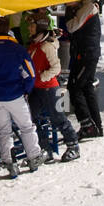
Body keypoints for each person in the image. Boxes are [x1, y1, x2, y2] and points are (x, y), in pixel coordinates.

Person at [0, 15, 44, 178]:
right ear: (9, 30)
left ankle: (9, 162)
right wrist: (26, 90)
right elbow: (30, 74)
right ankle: (34, 157)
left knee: (4, 131)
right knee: (26, 127)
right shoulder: (18, 49)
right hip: (15, 95)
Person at [26, 10, 80, 162]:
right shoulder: (34, 44)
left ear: (40, 27)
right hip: (37, 88)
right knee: (32, 117)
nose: (29, 28)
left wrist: (42, 77)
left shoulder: (45, 46)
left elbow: (56, 67)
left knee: (58, 118)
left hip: (50, 88)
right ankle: (45, 148)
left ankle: (73, 145)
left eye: (32, 25)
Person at [63, 0, 104, 139]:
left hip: (86, 55)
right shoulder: (84, 8)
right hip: (85, 54)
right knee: (86, 88)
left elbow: (71, 26)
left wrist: (68, 11)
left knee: (74, 88)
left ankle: (88, 124)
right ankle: (96, 126)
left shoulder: (87, 8)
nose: (65, 2)